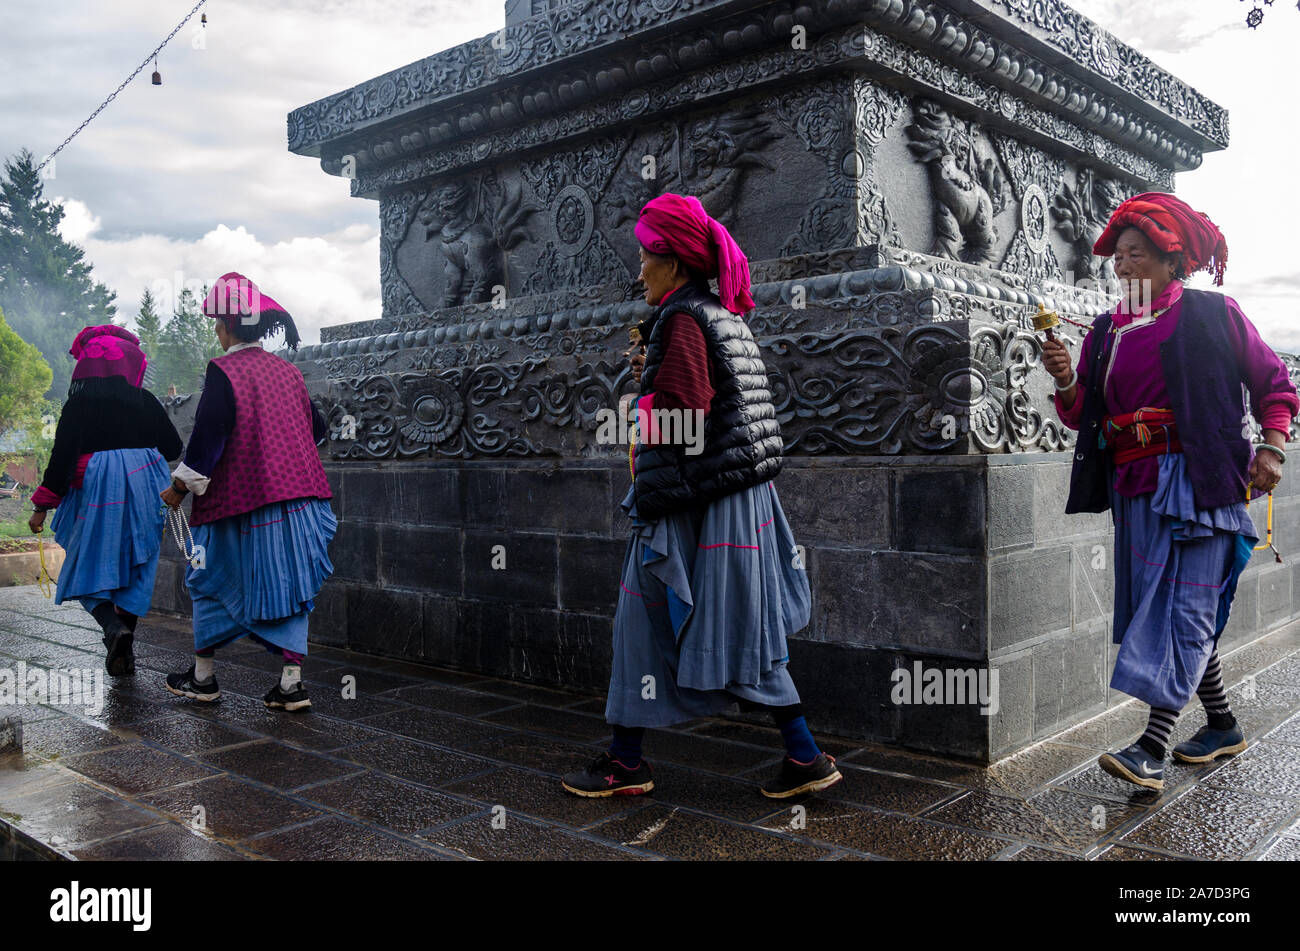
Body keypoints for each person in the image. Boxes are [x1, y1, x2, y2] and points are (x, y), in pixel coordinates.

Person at [561, 193, 842, 800]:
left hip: (699, 501)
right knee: (746, 625)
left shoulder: (684, 318)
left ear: (673, 261)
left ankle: (627, 762)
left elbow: (687, 414)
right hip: (734, 495)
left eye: (643, 257)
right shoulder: (720, 314)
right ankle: (803, 756)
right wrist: (653, 376)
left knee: (641, 616)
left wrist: (641, 406)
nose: (637, 270)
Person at [1043, 192, 1298, 791]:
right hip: (1135, 485)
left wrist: (1274, 444)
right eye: (1119, 256)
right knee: (1162, 608)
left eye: (1135, 255)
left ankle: (1151, 747)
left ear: (1169, 261)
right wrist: (1065, 381)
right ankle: (1223, 725)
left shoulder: (1214, 314)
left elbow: (1274, 382)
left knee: (1183, 605)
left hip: (1201, 479)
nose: (1122, 265)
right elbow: (1084, 414)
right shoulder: (1106, 330)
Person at [161, 273, 336, 712]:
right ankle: (291, 685)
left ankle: (203, 679)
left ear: (228, 327)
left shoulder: (224, 370)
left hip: (239, 502)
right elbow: (319, 431)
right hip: (300, 502)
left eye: (218, 325)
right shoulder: (289, 372)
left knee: (206, 576)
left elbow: (209, 438)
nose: (217, 333)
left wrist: (179, 487)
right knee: (292, 585)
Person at [28, 325, 182, 676]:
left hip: (98, 491)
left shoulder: (80, 403)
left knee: (86, 564)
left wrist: (41, 506)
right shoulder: (145, 400)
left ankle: (113, 628)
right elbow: (174, 448)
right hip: (147, 488)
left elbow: (63, 455)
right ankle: (125, 646)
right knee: (135, 568)